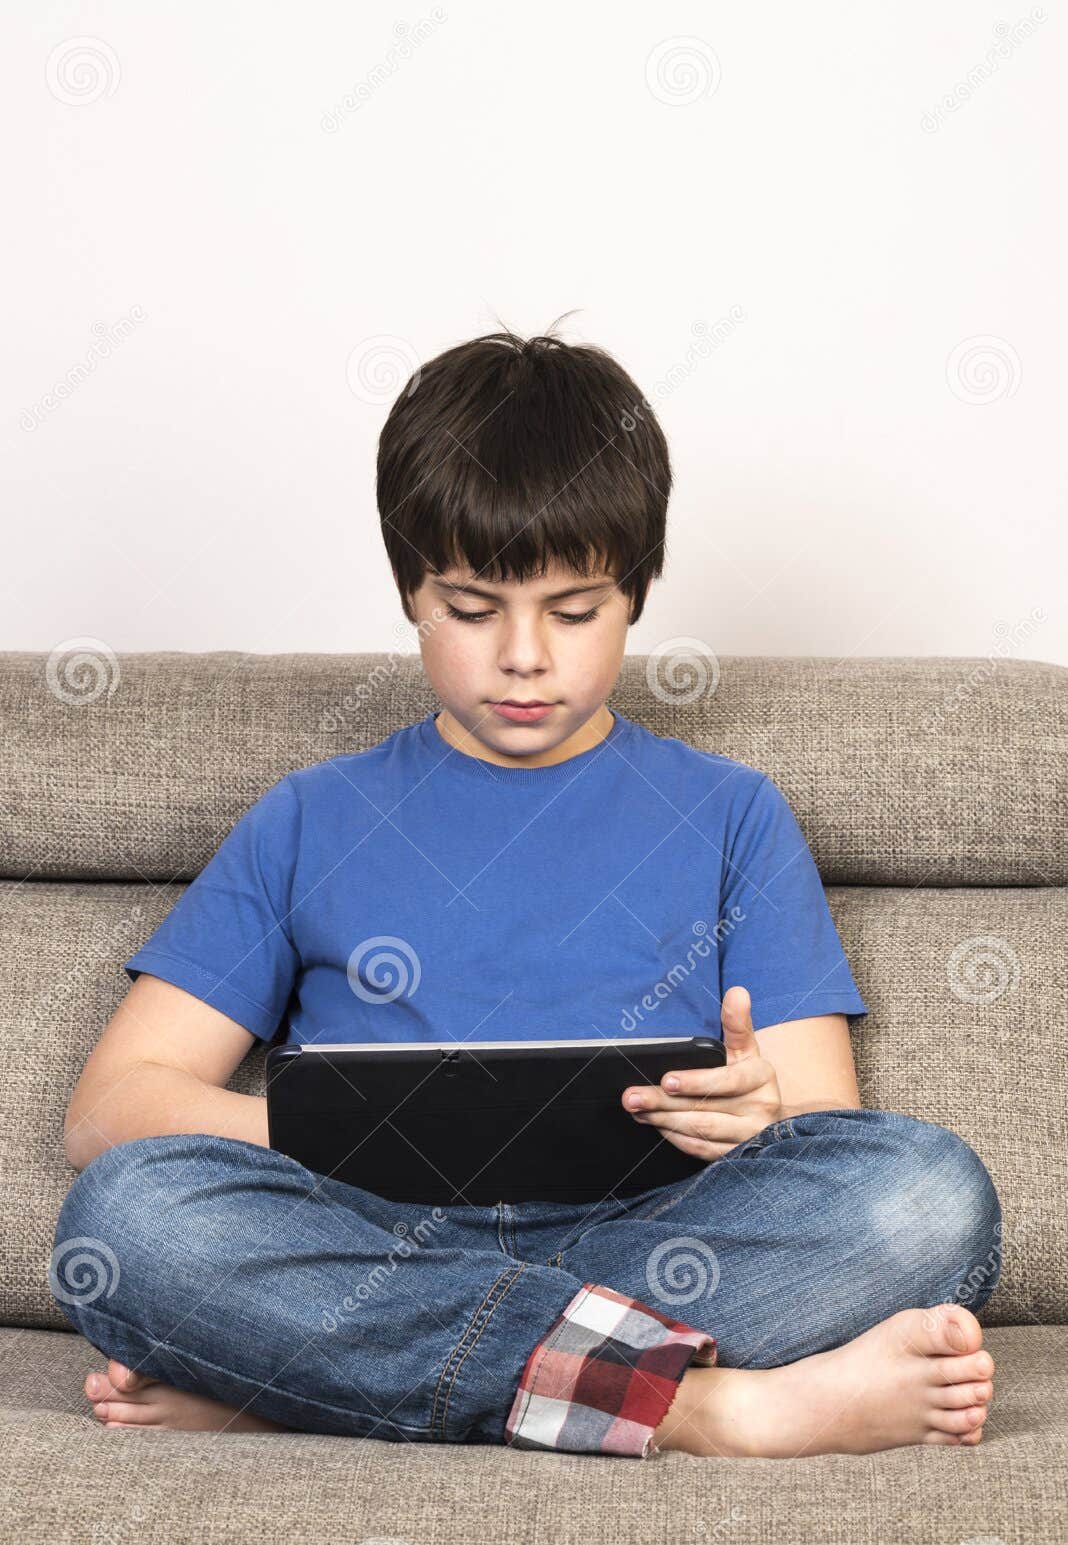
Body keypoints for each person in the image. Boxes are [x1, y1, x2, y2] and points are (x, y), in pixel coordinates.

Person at [53, 323, 1001, 1460]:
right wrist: (347, 1141)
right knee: (127, 1220)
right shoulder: (311, 817)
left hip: (646, 1234)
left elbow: (821, 1120)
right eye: (471, 608)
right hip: (371, 1236)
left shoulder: (733, 812)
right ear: (410, 589)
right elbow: (111, 1110)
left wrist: (756, 1113)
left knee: (927, 1195)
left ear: (638, 594)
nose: (522, 657)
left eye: (573, 609)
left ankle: (324, 1384)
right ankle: (700, 1404)